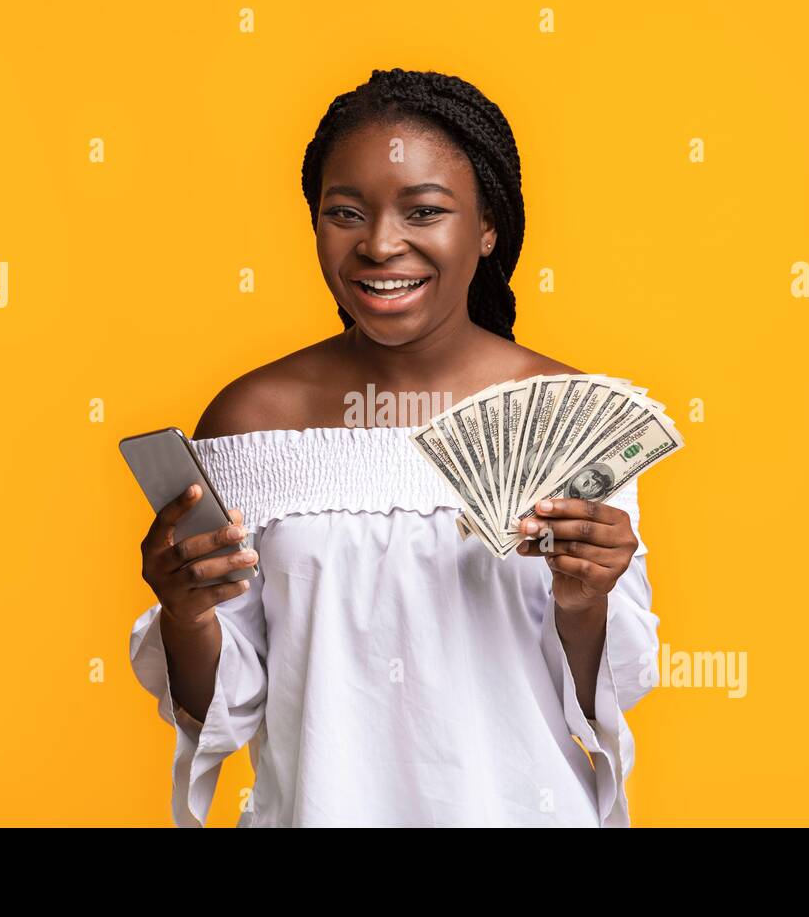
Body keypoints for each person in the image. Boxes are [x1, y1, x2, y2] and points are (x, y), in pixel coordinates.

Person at [129, 68, 660, 827]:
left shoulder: (566, 417)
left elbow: (603, 696)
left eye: (425, 210)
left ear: (487, 227)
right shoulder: (250, 417)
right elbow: (225, 704)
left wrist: (587, 600)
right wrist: (184, 614)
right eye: (345, 211)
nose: (380, 244)